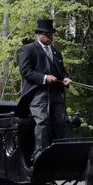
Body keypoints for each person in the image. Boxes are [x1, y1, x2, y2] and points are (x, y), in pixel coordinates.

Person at [18, 18, 73, 153]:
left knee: (63, 122)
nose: (50, 37)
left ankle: (65, 152)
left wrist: (65, 78)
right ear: (39, 35)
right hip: (38, 94)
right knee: (43, 123)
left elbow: (61, 71)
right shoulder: (29, 49)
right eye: (47, 35)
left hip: (56, 94)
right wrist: (44, 78)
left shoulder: (56, 53)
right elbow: (25, 71)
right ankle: (40, 154)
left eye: (51, 35)